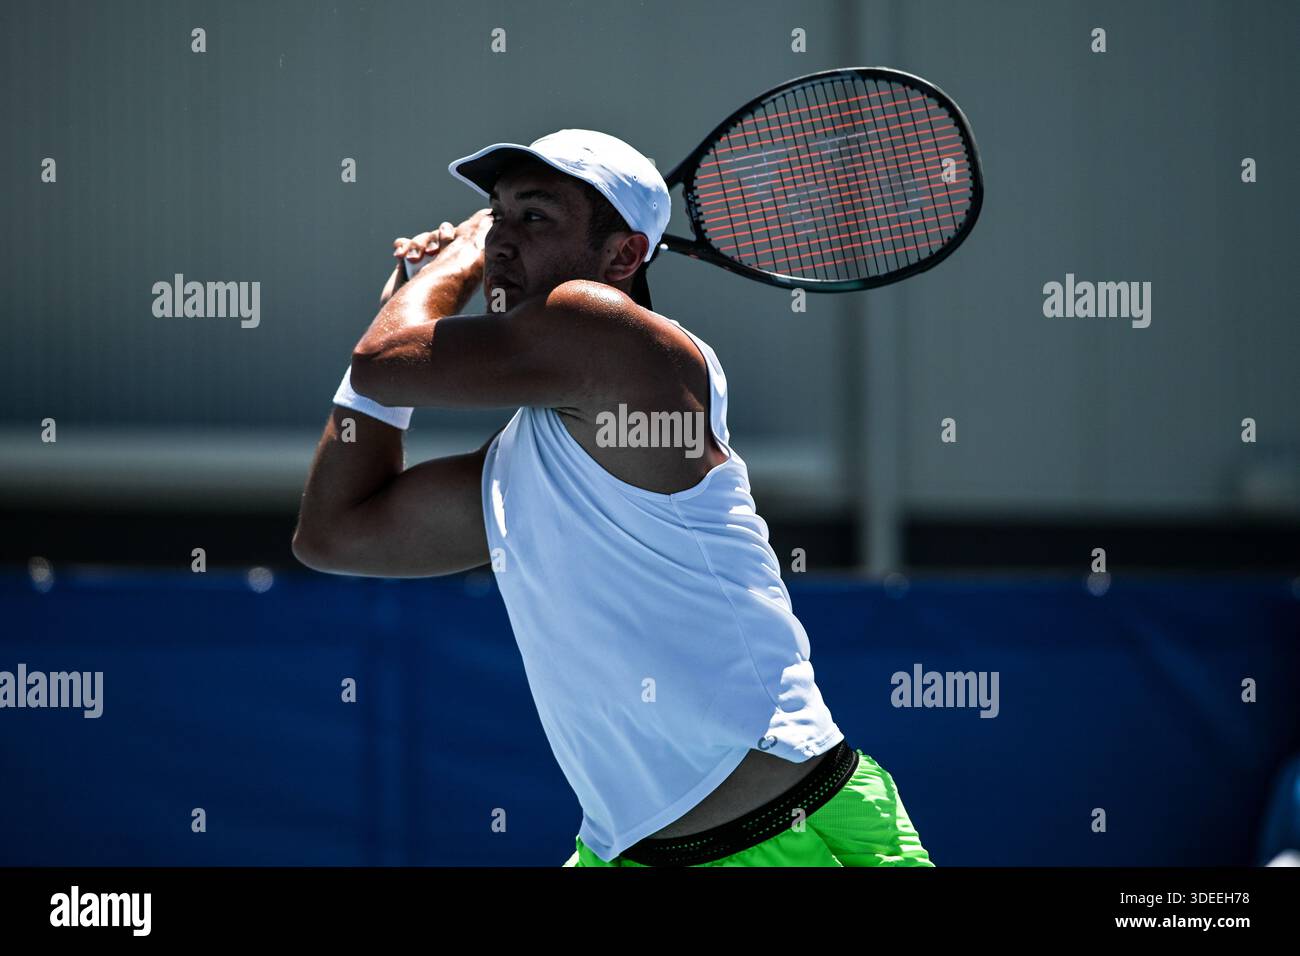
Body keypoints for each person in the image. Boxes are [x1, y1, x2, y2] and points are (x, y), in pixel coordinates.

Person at [292, 128, 933, 868]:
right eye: (494, 216)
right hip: (621, 850)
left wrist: (448, 267)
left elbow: (382, 361)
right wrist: (408, 298)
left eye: (534, 218)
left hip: (793, 839)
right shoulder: (517, 470)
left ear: (624, 257)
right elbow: (334, 533)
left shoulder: (605, 330)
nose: (500, 241)